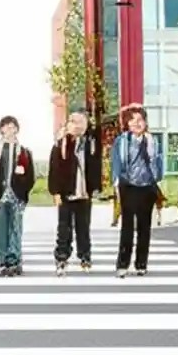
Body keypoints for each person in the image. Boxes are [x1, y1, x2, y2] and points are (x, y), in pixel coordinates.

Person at [110, 106, 164, 278]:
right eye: (132, 120)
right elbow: (116, 163)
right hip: (128, 186)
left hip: (147, 186)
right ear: (127, 123)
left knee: (144, 227)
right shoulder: (122, 141)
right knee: (127, 226)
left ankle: (141, 263)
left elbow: (158, 166)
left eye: (140, 119)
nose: (137, 123)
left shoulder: (153, 141)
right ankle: (122, 264)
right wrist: (116, 183)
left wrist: (151, 150)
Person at [47, 111, 102, 275]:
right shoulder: (61, 144)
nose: (77, 125)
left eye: (81, 122)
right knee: (64, 228)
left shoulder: (91, 143)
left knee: (83, 227)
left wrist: (96, 187)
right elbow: (54, 170)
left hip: (84, 193)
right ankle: (62, 257)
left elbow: (96, 166)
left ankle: (85, 256)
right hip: (66, 193)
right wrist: (55, 192)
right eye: (73, 121)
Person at [0, 115, 35, 277]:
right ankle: (3, 260)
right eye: (6, 126)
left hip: (17, 195)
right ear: (1, 130)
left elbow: (31, 176)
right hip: (0, 196)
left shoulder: (24, 152)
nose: (9, 129)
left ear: (17, 129)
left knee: (16, 228)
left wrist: (24, 193)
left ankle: (15, 259)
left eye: (13, 126)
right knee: (1, 228)